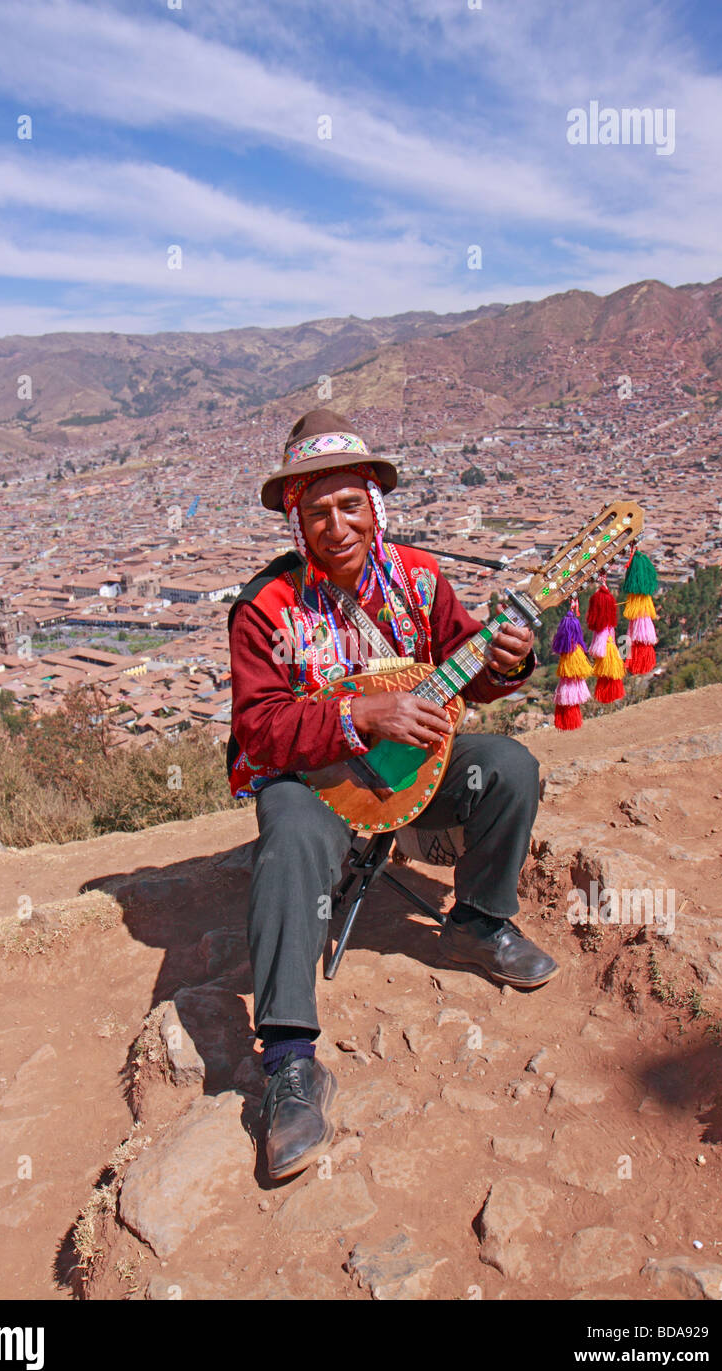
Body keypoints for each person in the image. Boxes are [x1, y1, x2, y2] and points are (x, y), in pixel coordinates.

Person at [226, 408, 558, 1180]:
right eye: (318, 511)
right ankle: (290, 1064)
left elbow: (463, 667)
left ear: (375, 504)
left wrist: (508, 660)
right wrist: (357, 714)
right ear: (294, 519)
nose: (338, 525)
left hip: (412, 775)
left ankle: (478, 921)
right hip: (314, 781)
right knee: (293, 831)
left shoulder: (417, 578)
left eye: (351, 505)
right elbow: (259, 729)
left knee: (507, 766)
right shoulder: (266, 610)